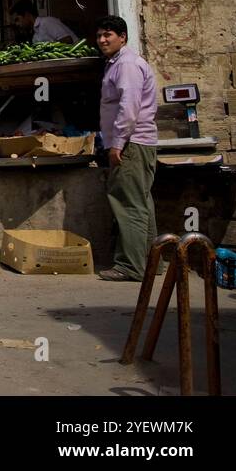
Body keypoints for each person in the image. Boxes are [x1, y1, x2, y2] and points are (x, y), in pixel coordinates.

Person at [95, 15, 159, 282]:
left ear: (123, 37)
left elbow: (128, 108)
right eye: (99, 35)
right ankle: (150, 263)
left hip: (131, 144)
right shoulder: (118, 64)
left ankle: (131, 266)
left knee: (128, 204)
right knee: (141, 204)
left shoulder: (128, 65)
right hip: (136, 143)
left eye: (108, 34)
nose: (102, 40)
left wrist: (117, 144)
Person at [9, 0, 78, 45]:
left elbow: (68, 40)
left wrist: (46, 47)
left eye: (17, 19)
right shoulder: (35, 36)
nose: (16, 24)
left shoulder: (47, 22)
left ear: (27, 15)